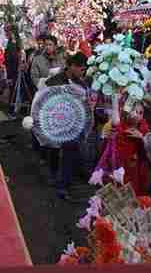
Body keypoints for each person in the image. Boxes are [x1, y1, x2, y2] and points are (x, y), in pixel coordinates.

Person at [42, 53, 88, 201]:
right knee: (55, 151)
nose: (83, 71)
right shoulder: (54, 81)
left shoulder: (81, 84)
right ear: (71, 66)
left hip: (73, 125)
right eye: (81, 68)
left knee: (70, 153)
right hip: (56, 123)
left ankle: (64, 184)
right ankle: (56, 177)